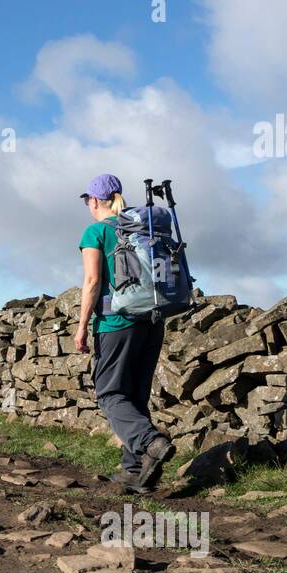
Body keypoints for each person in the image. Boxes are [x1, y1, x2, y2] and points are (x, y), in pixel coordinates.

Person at [74, 173, 175, 494]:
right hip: (152, 319)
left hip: (116, 324)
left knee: (110, 394)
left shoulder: (96, 231)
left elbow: (91, 283)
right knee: (134, 396)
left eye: (88, 200)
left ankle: (152, 442)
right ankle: (136, 472)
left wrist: (81, 328)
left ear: (93, 201)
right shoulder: (141, 229)